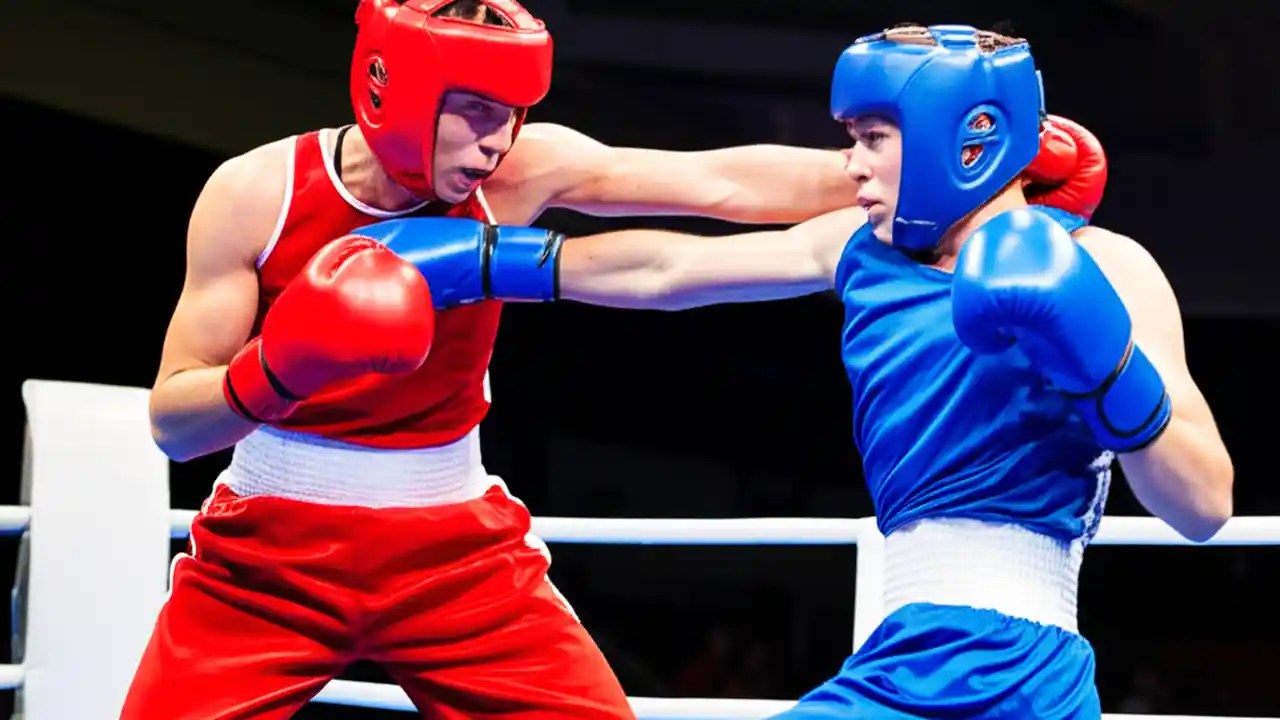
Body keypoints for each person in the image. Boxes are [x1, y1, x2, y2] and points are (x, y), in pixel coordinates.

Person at [131, 0, 1110, 714]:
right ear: (394, 89)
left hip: (453, 549)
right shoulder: (255, 195)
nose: (496, 141)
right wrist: (283, 365)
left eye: (514, 111)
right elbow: (175, 423)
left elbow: (720, 186)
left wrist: (976, 172)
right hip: (266, 551)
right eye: (473, 111)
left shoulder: (519, 170)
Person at [376, 22, 1231, 719]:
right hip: (914, 652)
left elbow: (1203, 505)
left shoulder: (1106, 265)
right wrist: (492, 259)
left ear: (963, 143)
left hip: (1012, 665)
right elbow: (667, 274)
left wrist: (1096, 355)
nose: (849, 166)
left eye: (872, 140)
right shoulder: (864, 252)